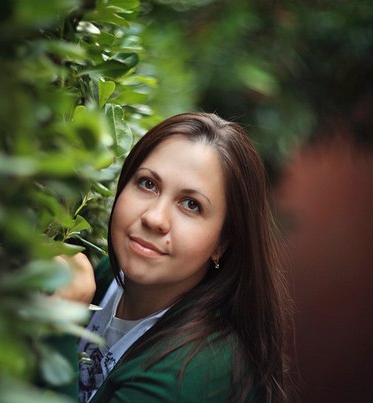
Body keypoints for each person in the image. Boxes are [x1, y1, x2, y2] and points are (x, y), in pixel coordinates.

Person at [63, 112, 290, 402]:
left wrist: (58, 327)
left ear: (222, 243)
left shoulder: (192, 373)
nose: (154, 218)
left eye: (191, 204)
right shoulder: (110, 278)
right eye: (148, 184)